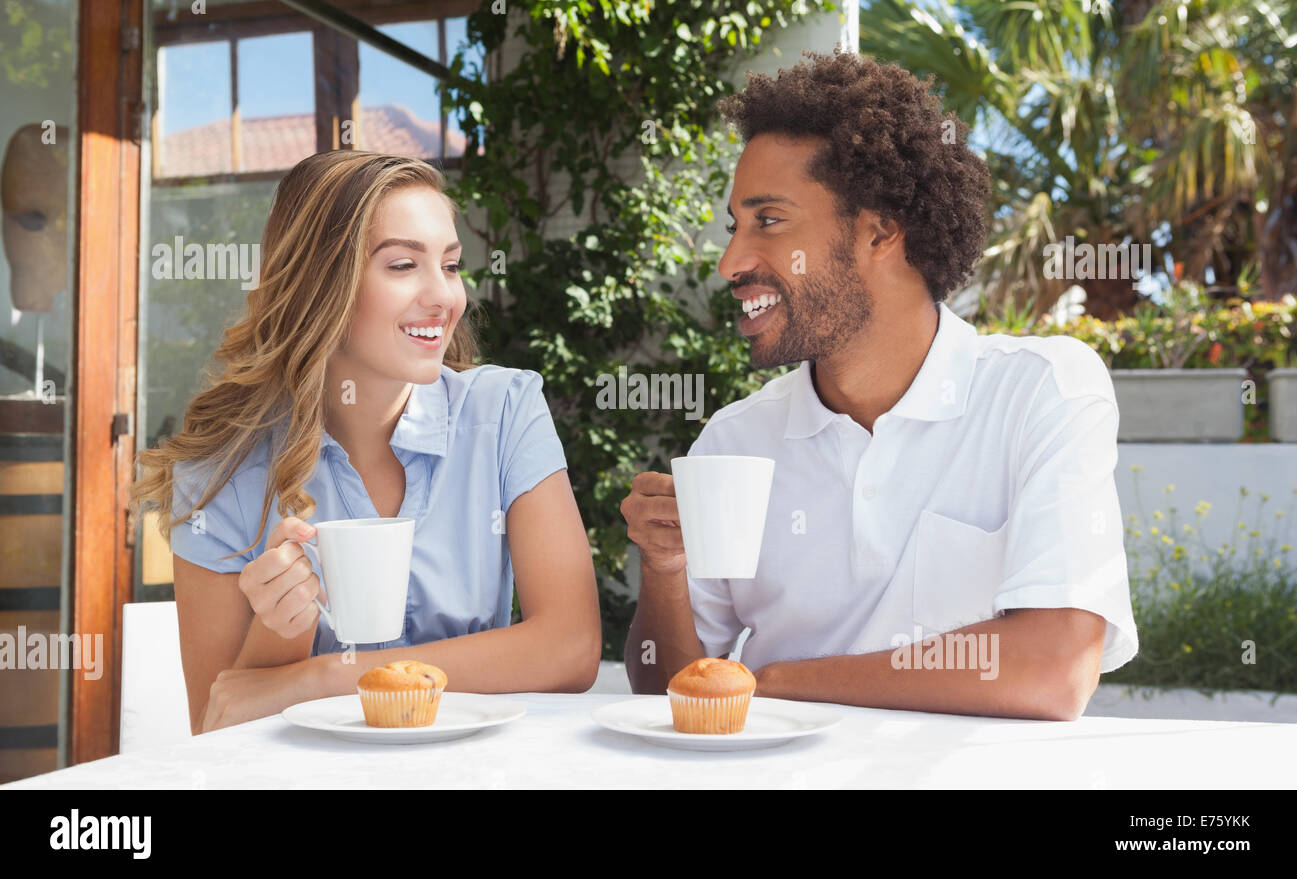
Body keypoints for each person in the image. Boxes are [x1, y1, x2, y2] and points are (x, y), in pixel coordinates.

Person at [621, 51, 1138, 720]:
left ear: (881, 230)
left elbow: (1054, 667)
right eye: (734, 226)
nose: (731, 261)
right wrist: (663, 572)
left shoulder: (1041, 393)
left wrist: (774, 680)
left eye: (769, 221)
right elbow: (671, 687)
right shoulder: (735, 438)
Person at [131, 151, 601, 734]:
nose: (444, 297)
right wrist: (283, 627)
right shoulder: (218, 474)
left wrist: (329, 676)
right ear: (320, 282)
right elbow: (220, 720)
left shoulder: (503, 413)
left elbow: (570, 646)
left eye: (450, 266)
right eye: (403, 265)